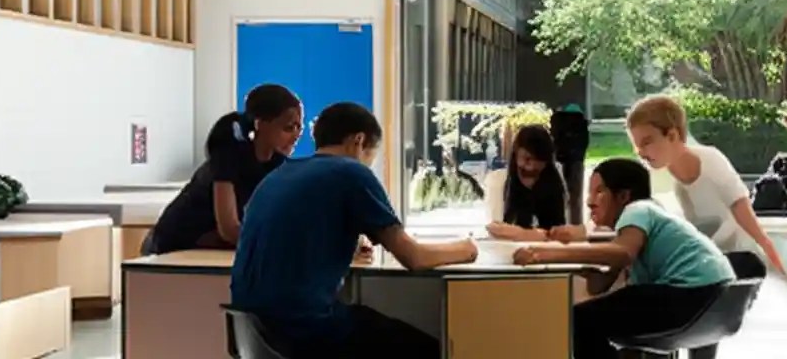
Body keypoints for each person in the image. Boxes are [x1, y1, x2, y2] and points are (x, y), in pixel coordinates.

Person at [230, 102, 478, 359]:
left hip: (253, 332)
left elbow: (292, 233)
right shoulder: (351, 172)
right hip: (305, 329)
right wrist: (466, 249)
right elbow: (412, 257)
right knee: (433, 350)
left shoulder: (279, 176)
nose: (369, 165)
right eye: (372, 156)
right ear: (358, 141)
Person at [512, 158, 736, 359]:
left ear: (623, 196)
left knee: (579, 321)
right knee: (609, 320)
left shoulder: (637, 208)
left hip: (691, 293)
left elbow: (622, 253)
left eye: (599, 192)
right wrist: (589, 266)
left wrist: (544, 253)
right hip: (721, 296)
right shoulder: (648, 220)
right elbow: (599, 286)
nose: (590, 202)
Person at [624, 95, 786, 274]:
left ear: (672, 135)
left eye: (646, 142)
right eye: (636, 146)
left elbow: (740, 206)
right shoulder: (659, 179)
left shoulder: (711, 161)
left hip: (739, 257)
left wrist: (769, 251)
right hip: (705, 261)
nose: (640, 152)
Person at [145, 84, 303, 255]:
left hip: (211, 249)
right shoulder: (228, 157)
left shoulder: (278, 165)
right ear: (260, 124)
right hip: (172, 249)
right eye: (288, 128)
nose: (295, 136)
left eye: (298, 128)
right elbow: (228, 229)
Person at [485, 124, 568, 241]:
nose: (531, 167)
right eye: (527, 159)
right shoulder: (499, 183)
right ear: (516, 155)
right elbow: (494, 228)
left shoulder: (554, 187)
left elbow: (558, 234)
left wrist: (520, 234)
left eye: (538, 159)